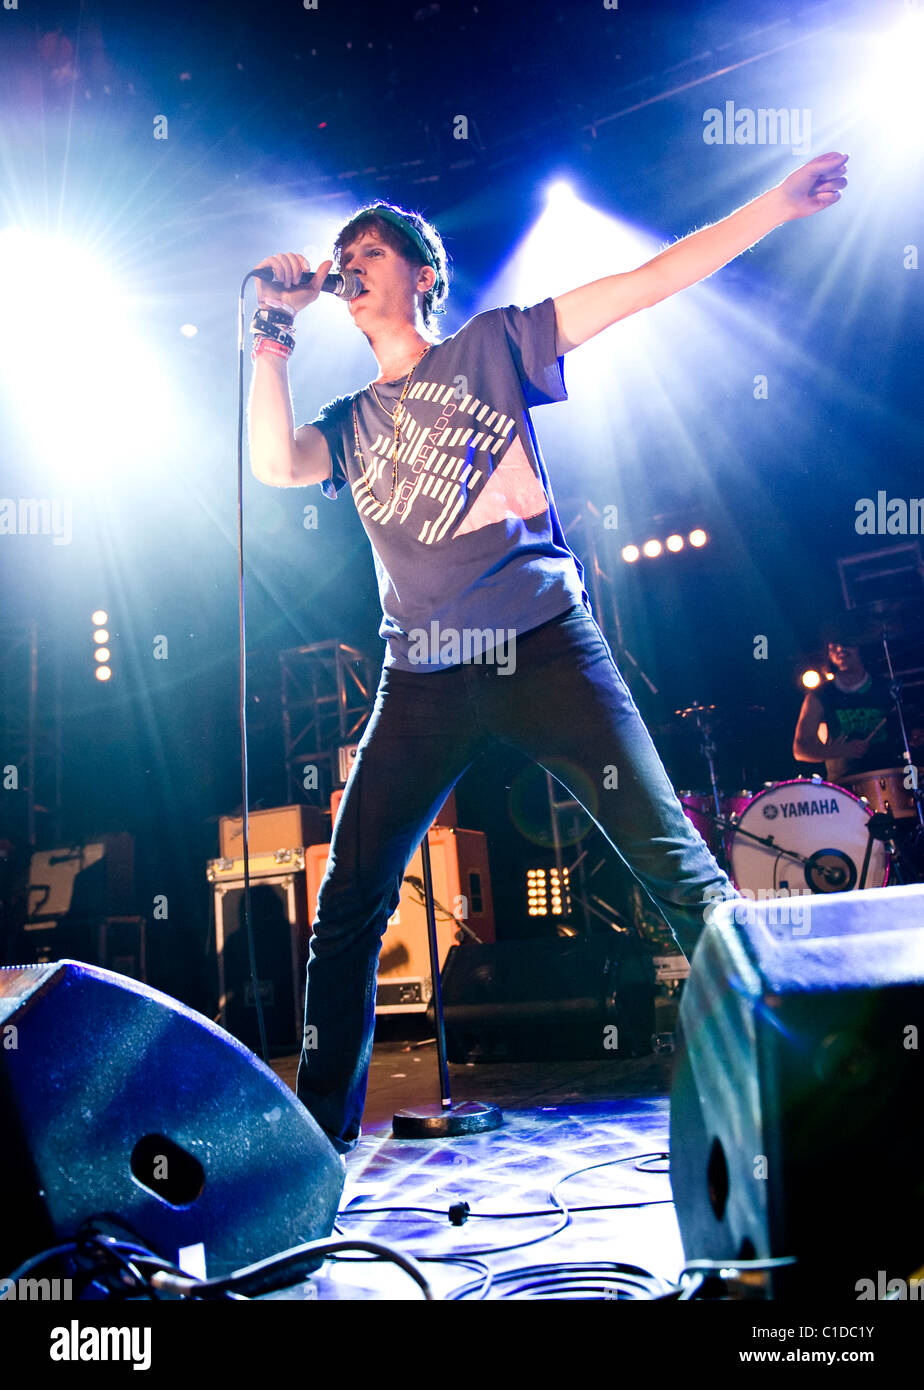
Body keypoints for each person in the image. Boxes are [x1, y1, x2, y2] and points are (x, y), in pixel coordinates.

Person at [248, 152, 849, 1155]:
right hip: (423, 677)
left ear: (422, 274)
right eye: (340, 255)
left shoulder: (492, 345)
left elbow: (649, 282)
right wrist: (268, 330)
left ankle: (799, 1091)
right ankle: (317, 1138)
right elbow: (273, 464)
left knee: (680, 874)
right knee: (349, 900)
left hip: (542, 648)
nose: (348, 265)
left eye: (370, 250)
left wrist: (778, 205)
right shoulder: (349, 423)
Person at [793, 630, 895, 786]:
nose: (840, 648)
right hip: (844, 786)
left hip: (889, 779)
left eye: (847, 642)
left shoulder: (885, 688)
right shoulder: (820, 695)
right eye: (834, 643)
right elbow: (800, 749)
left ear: (861, 647)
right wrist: (840, 751)